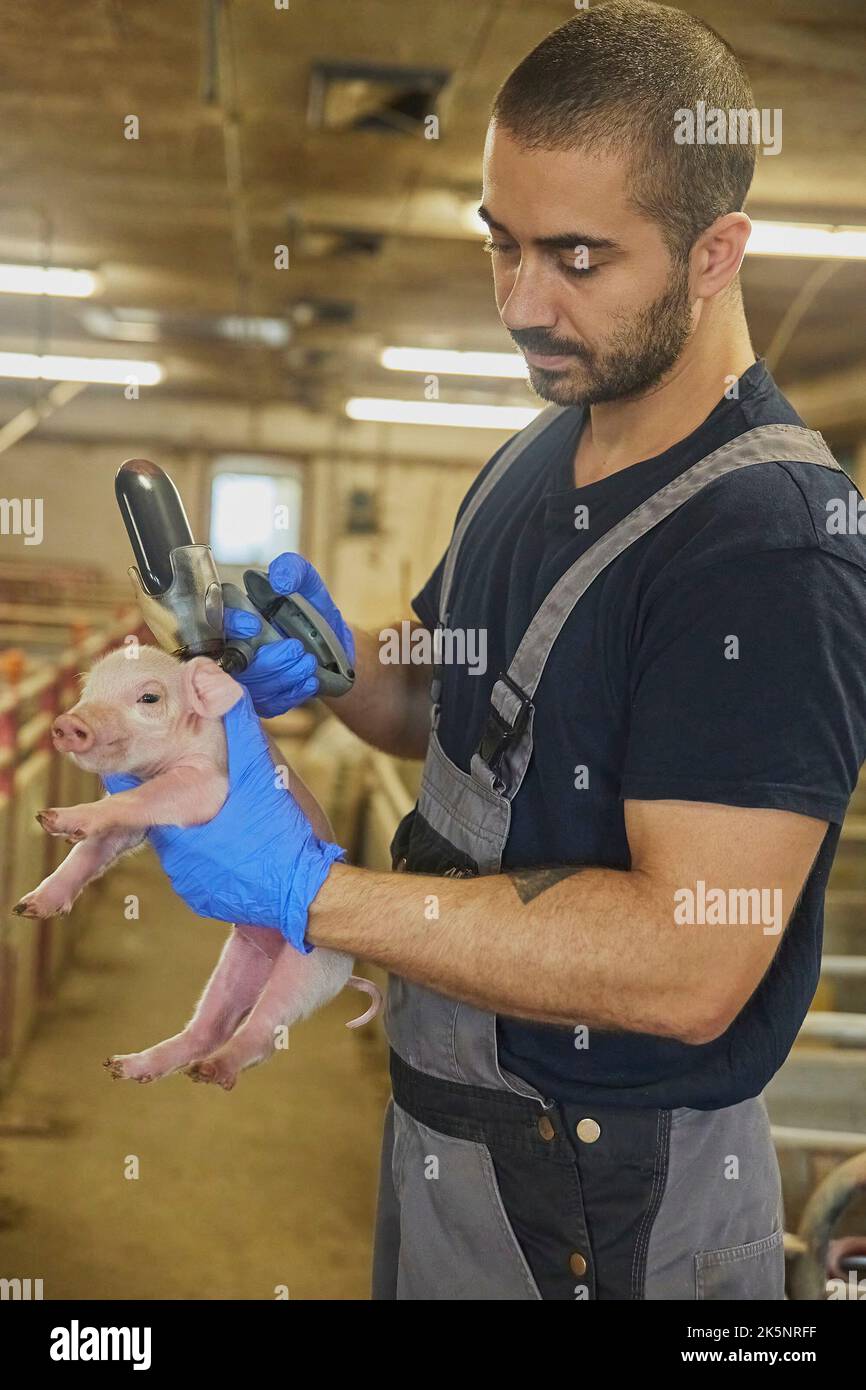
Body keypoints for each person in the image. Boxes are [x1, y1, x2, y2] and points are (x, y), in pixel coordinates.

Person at [106, 1, 866, 1299]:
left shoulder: (768, 546)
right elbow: (441, 697)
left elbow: (690, 959)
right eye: (500, 244)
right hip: (452, 1118)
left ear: (713, 253)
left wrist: (310, 892)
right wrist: (334, 658)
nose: (521, 302)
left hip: (612, 1193)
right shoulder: (541, 448)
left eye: (575, 256)